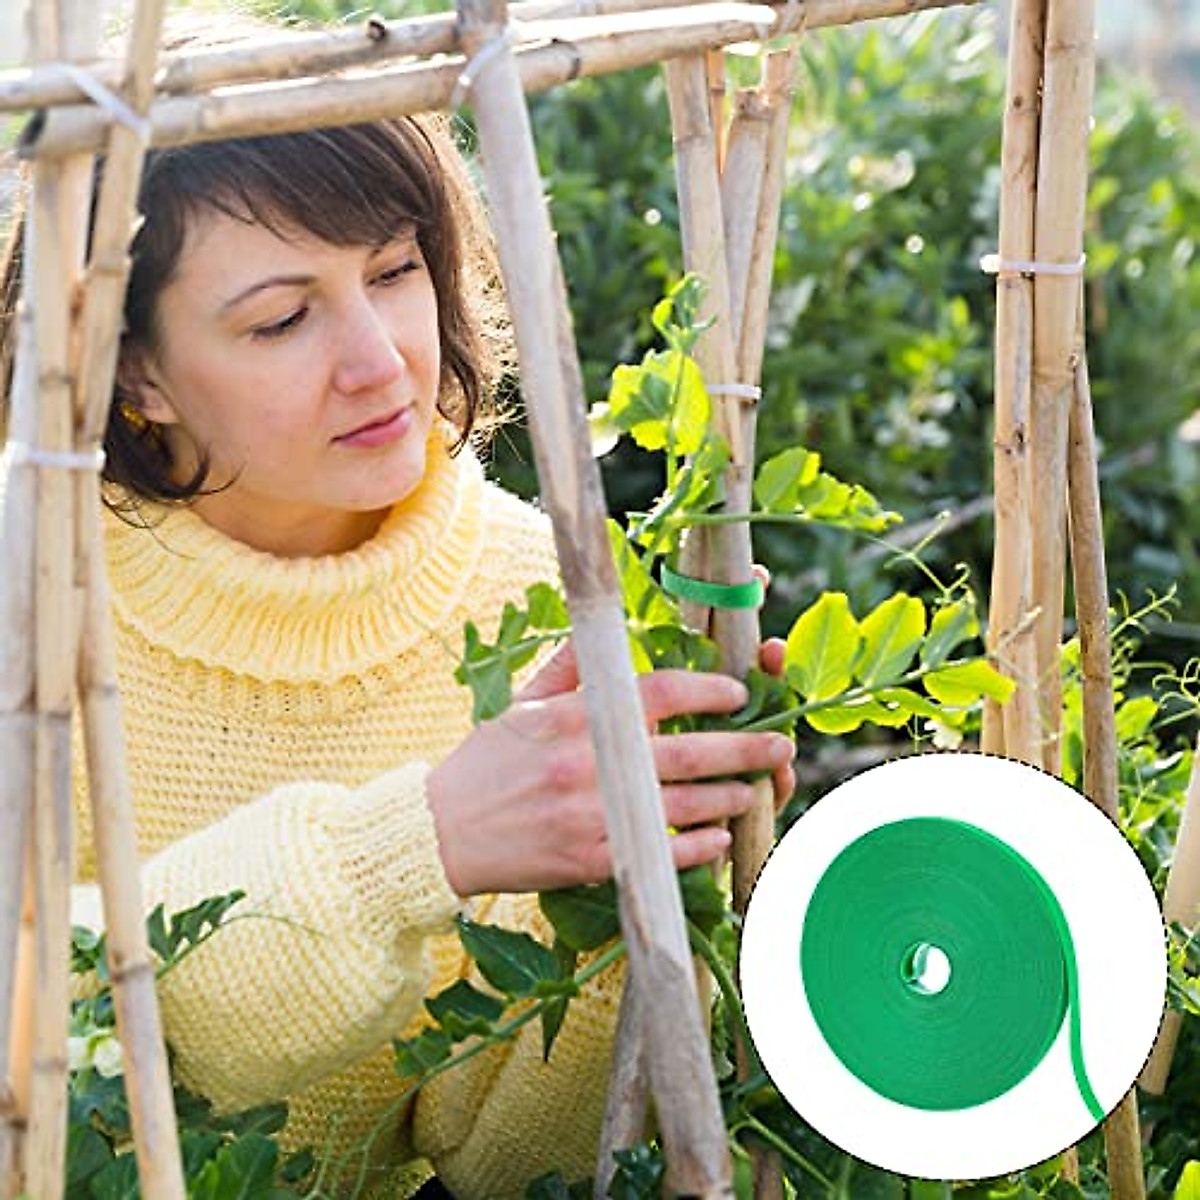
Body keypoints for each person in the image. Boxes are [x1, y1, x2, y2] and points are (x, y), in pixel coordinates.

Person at [0, 30, 795, 1200]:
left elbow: (508, 1161)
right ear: (135, 373)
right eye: (282, 320)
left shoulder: (535, 588)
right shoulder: (28, 593)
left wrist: (633, 891)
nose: (380, 362)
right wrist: (414, 847)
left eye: (393, 270)